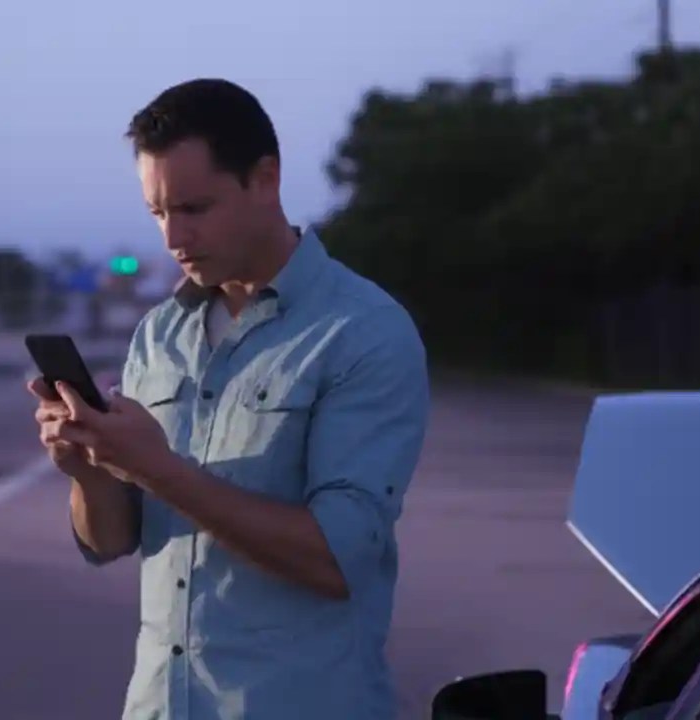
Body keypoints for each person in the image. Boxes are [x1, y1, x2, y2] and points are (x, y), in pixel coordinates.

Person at [28, 78, 429, 720]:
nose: (172, 237)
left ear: (265, 179)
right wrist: (90, 472)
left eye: (194, 208)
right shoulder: (159, 334)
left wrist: (157, 469)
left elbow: (338, 560)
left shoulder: (362, 332)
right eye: (158, 213)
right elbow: (109, 542)